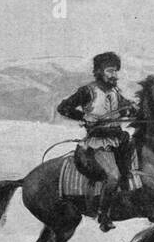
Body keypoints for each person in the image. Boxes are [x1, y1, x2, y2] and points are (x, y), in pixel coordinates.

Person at [57, 52, 137, 232]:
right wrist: (84, 115)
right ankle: (103, 215)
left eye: (116, 71)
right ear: (99, 71)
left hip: (117, 140)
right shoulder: (88, 91)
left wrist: (131, 108)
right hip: (97, 144)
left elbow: (125, 107)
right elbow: (63, 108)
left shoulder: (115, 91)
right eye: (110, 71)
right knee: (113, 176)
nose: (114, 75)